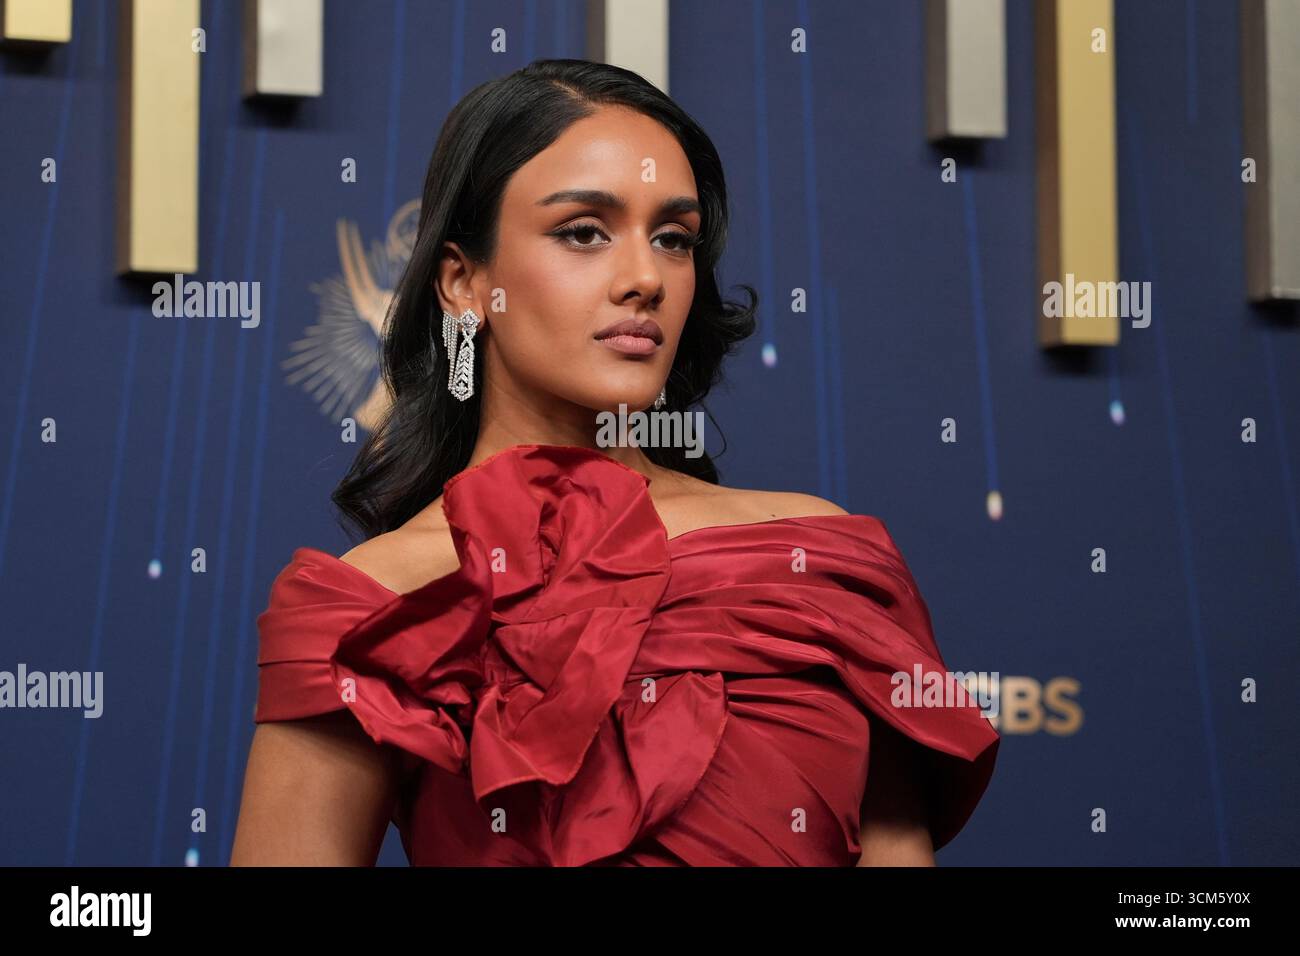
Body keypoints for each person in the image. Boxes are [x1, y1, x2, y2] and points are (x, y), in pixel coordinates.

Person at [230, 58, 998, 867]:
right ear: (463, 281)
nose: (644, 279)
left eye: (673, 239)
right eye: (583, 232)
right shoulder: (369, 606)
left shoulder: (825, 561)